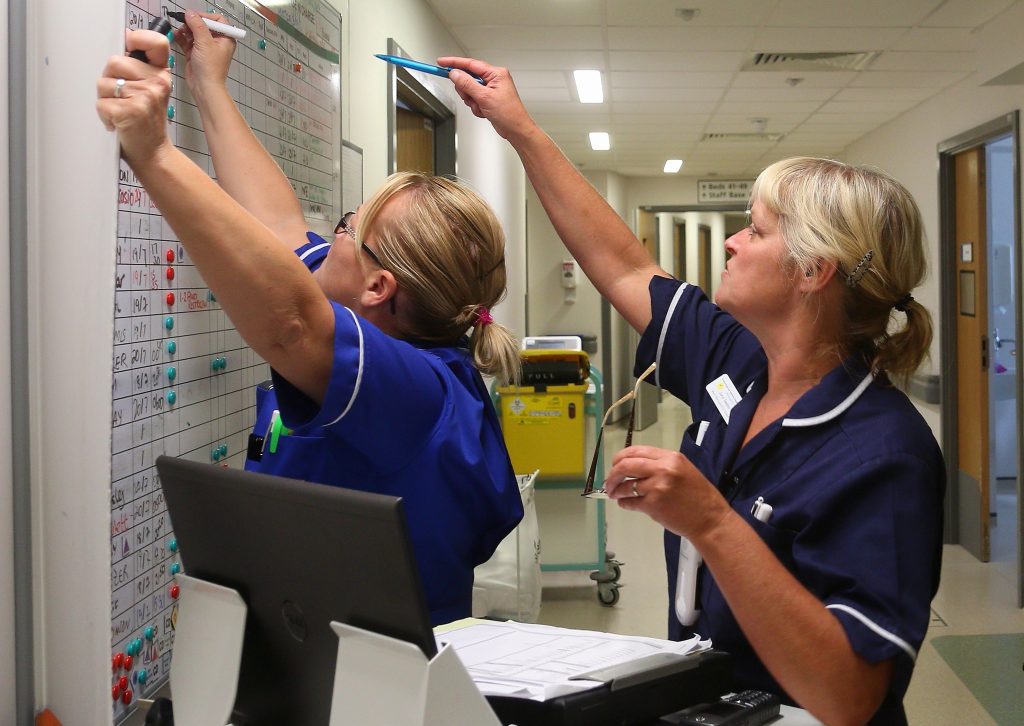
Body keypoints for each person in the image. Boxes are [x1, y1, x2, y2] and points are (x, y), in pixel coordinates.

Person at [440, 57, 945, 724]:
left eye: (756, 230)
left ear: (813, 271)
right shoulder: (738, 361)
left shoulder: (884, 451)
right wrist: (520, 129)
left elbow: (849, 696)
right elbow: (622, 264)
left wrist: (710, 520)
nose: (733, 241)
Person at [96, 21, 524, 626]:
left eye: (350, 227)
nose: (332, 236)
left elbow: (291, 323)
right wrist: (209, 83)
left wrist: (155, 151)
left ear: (379, 287)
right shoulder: (382, 314)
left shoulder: (419, 392)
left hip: (372, 689)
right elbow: (277, 226)